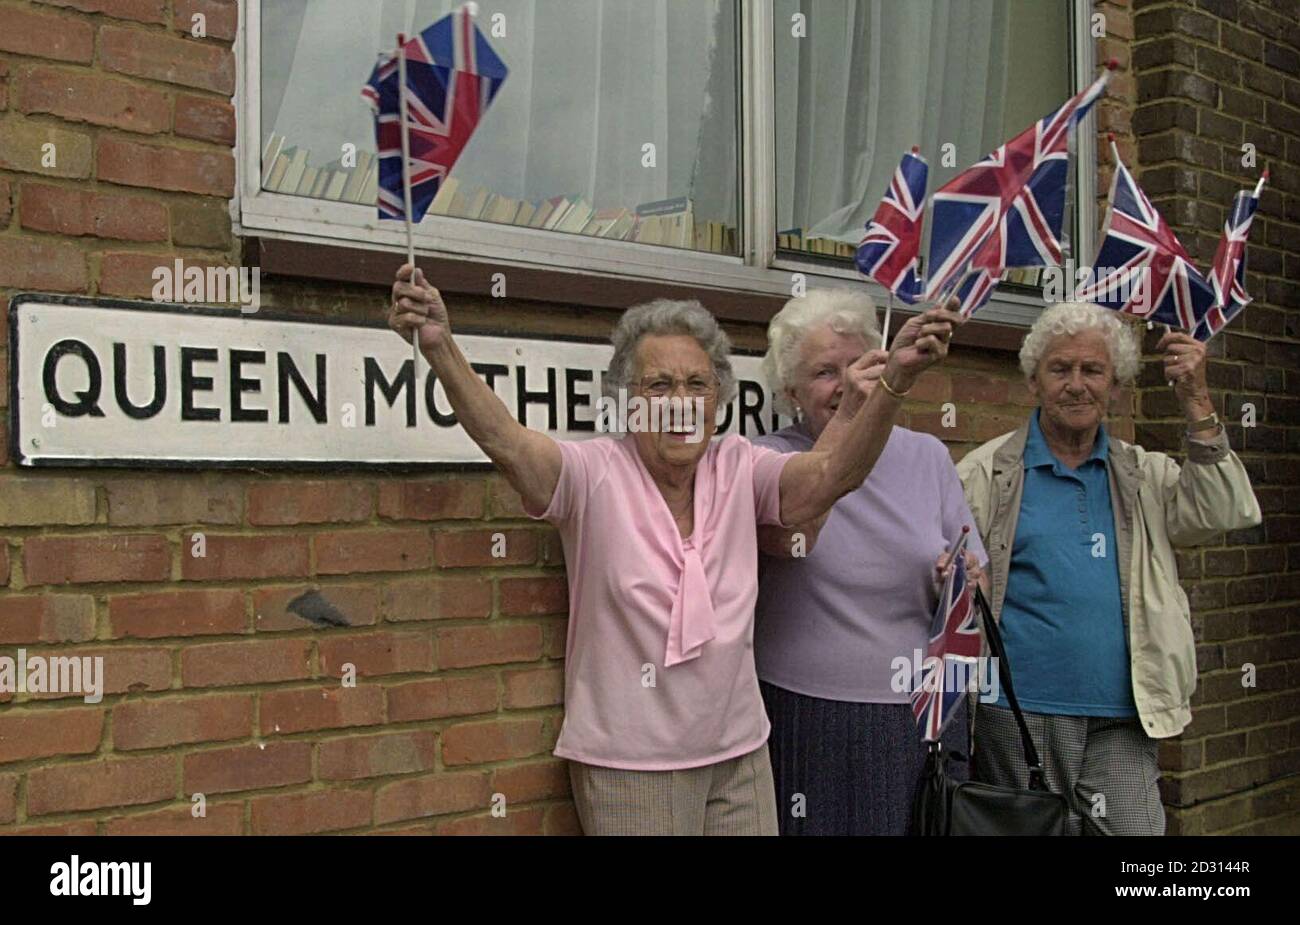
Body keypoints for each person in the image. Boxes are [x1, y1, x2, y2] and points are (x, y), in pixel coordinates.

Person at [388, 265, 962, 835]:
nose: (680, 402)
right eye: (658, 386)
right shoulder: (593, 475)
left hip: (741, 755)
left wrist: (894, 384)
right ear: (626, 401)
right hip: (632, 765)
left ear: (718, 398)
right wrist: (441, 348)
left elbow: (833, 473)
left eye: (697, 385)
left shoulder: (739, 466)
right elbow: (506, 442)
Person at [956, 301, 1261, 835]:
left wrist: (1195, 400)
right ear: (1034, 381)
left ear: (1116, 385)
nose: (1077, 384)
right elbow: (945, 586)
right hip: (1016, 713)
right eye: (1060, 369)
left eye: (1093, 370)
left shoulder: (1145, 474)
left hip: (1122, 714)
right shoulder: (984, 474)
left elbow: (1224, 510)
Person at [753, 288, 988, 835]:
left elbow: (972, 568)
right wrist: (862, 408)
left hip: (925, 713)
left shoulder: (926, 455)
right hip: (813, 714)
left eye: (858, 365)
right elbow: (794, 525)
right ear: (790, 390)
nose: (845, 384)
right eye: (823, 374)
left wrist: (962, 580)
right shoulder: (768, 459)